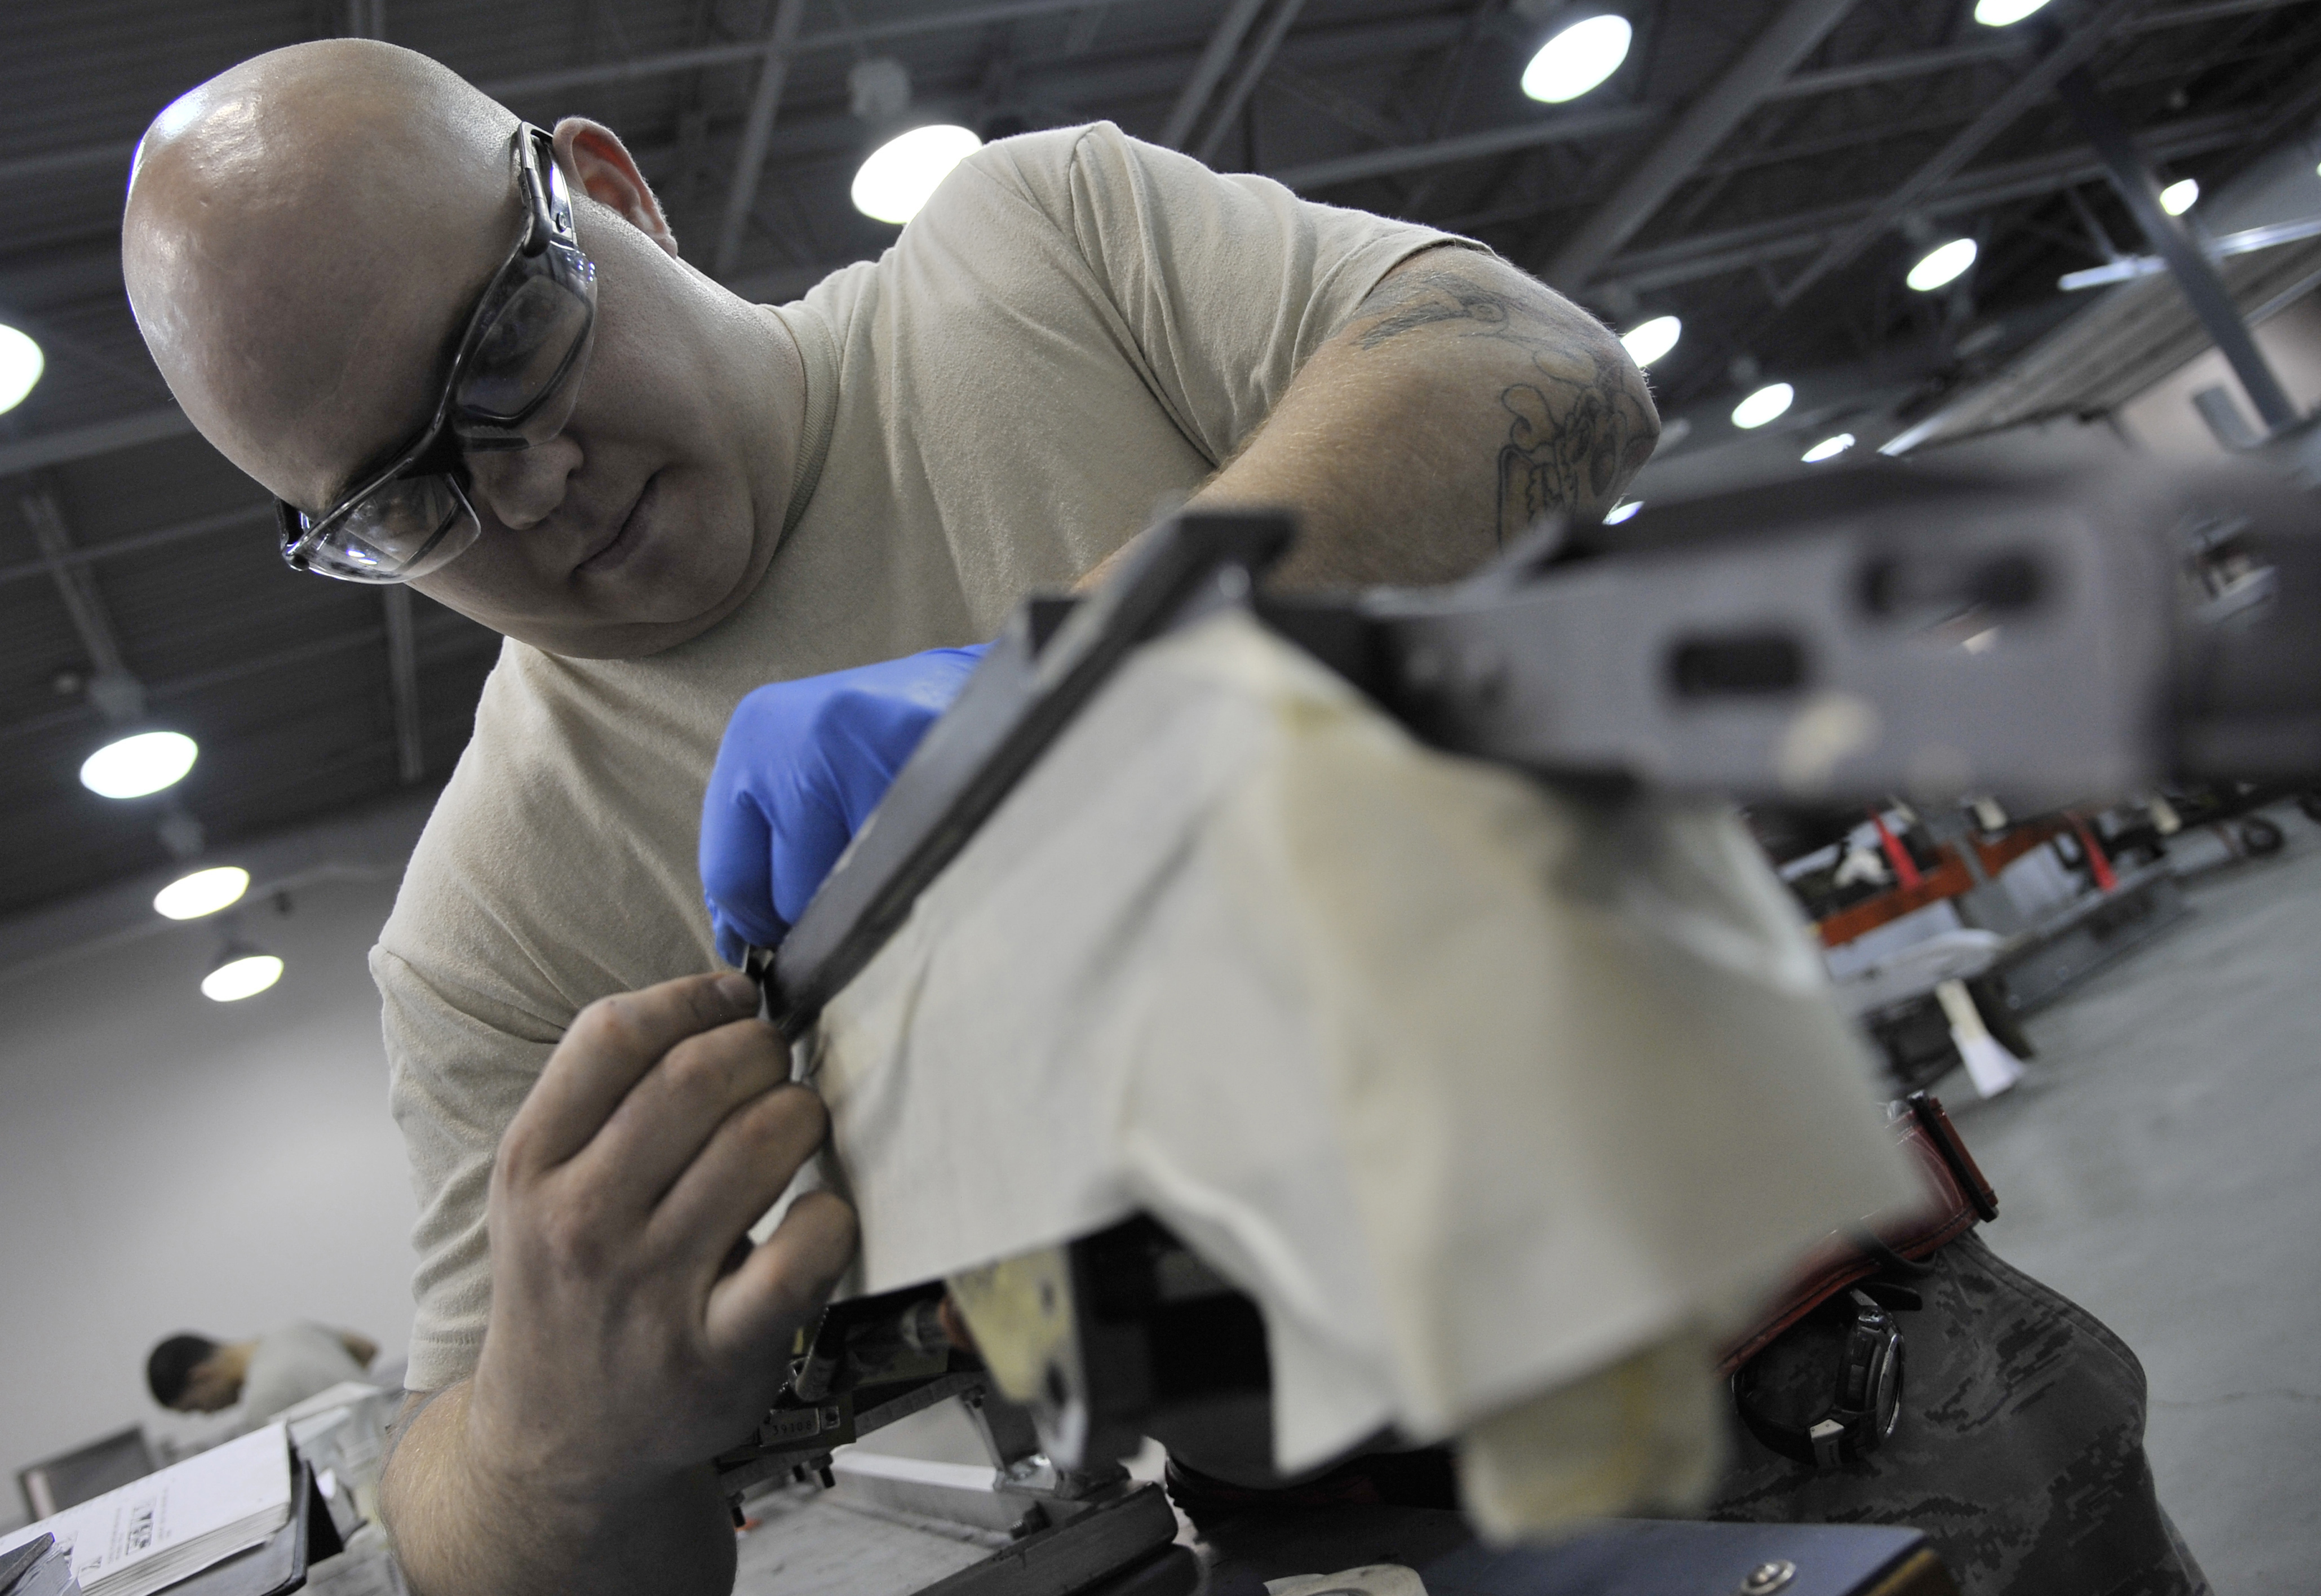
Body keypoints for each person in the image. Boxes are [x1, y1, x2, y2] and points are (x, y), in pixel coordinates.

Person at [121, 37, 1657, 1596]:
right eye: (405, 497)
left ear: (612, 192)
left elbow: (1547, 369)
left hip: (1746, 1273)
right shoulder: (495, 927)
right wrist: (543, 1443)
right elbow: (468, 1476)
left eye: (510, 343)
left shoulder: (1041, 254)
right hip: (1334, 1526)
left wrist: (1090, 681)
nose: (527, 490)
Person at [145, 1325, 378, 1430]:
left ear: (200, 1377)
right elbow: (366, 1348)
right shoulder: (295, 1331)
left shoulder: (263, 1402)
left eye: (196, 1406)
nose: (207, 1414)